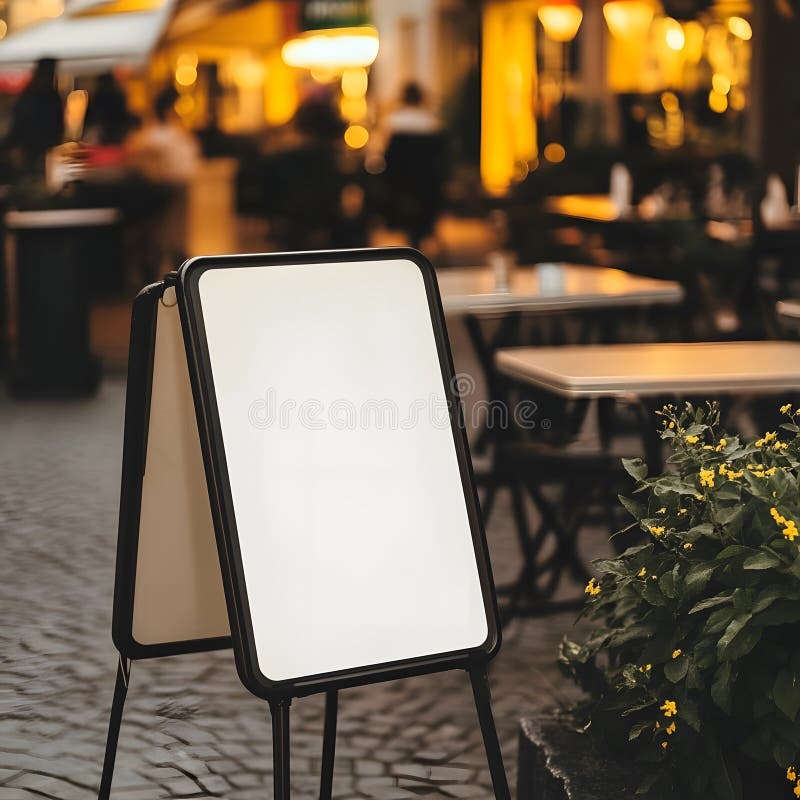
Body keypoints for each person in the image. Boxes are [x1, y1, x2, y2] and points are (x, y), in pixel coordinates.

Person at [382, 82, 444, 247]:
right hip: (427, 182)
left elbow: (387, 156)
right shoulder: (431, 122)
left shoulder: (393, 121)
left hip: (401, 182)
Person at [4, 58, 64, 172]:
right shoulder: (47, 95)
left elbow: (20, 121)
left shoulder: (34, 93)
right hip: (33, 146)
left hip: (30, 146)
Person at [84, 72, 136, 146]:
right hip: (117, 132)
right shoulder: (118, 94)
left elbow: (93, 115)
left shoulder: (96, 95)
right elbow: (123, 114)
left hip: (101, 132)